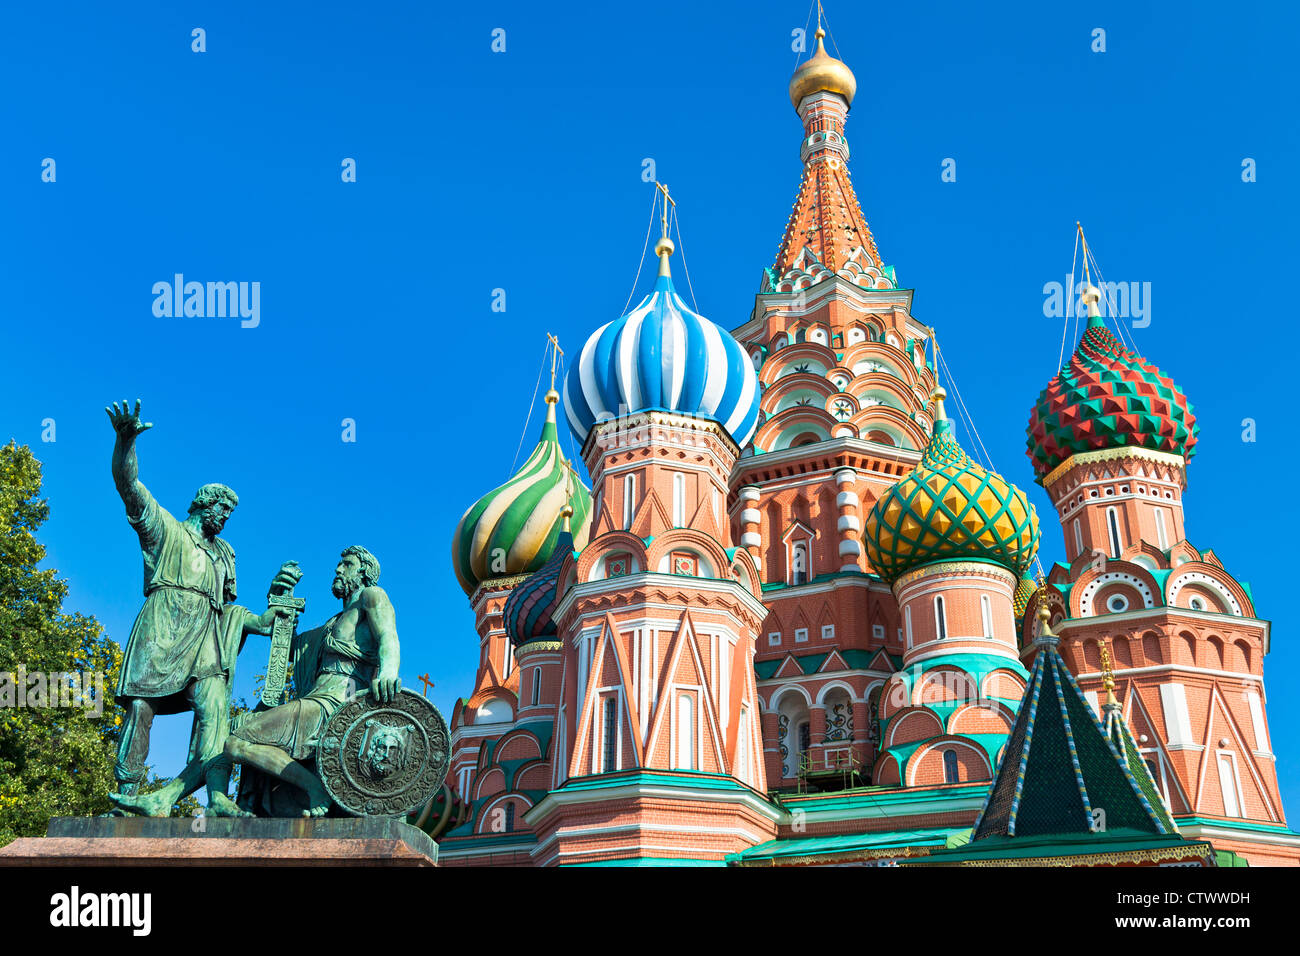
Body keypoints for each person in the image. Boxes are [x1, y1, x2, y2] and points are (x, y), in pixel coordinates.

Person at [104, 399, 281, 817]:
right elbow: (130, 488)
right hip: (162, 625)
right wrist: (125, 442)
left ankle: (218, 797)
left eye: (230, 513)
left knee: (215, 711)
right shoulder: (165, 529)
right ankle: (128, 794)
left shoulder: (226, 554)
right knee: (141, 709)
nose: (226, 517)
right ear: (203, 504)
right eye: (222, 509)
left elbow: (230, 613)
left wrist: (261, 620)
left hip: (205, 638)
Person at [224, 546, 401, 817]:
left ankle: (315, 789)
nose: (338, 570)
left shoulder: (371, 595)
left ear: (363, 572)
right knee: (237, 739)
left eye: (347, 564)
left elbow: (388, 636)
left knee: (235, 742)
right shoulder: (333, 622)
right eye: (339, 565)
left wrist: (389, 671)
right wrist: (279, 599)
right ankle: (312, 787)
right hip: (314, 700)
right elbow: (290, 648)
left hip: (337, 703)